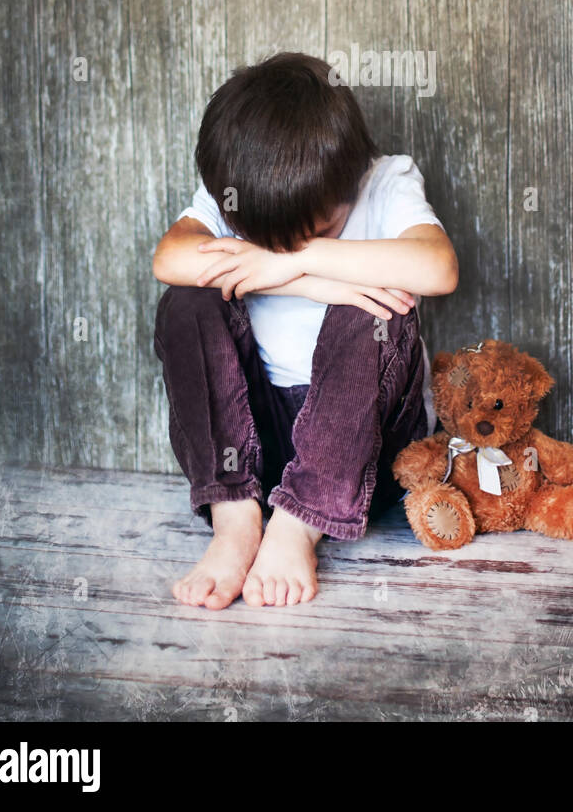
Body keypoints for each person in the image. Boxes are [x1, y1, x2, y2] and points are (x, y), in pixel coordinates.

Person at [152, 52, 458, 610]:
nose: (284, 251)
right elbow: (168, 259)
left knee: (374, 311)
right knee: (187, 299)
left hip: (367, 448)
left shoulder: (386, 180)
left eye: (313, 232)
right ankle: (235, 519)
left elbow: (438, 268)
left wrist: (295, 260)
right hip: (255, 446)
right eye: (268, 242)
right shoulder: (237, 191)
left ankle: (297, 526)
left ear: (352, 175)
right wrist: (305, 281)